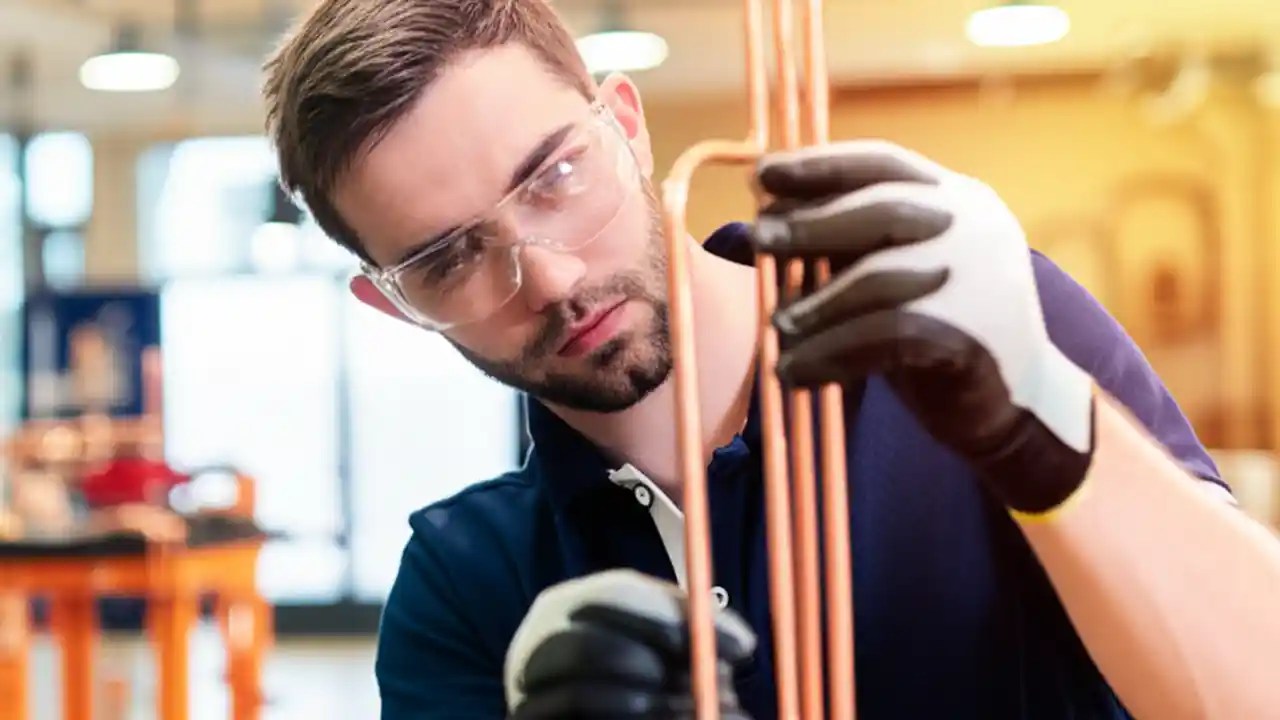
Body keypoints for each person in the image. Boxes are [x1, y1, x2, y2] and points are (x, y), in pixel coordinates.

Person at [260, 1, 1280, 718]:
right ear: (389, 305)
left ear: (622, 124)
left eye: (554, 175)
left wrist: (1044, 420)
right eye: (447, 259)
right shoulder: (466, 589)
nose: (550, 275)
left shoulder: (970, 328)